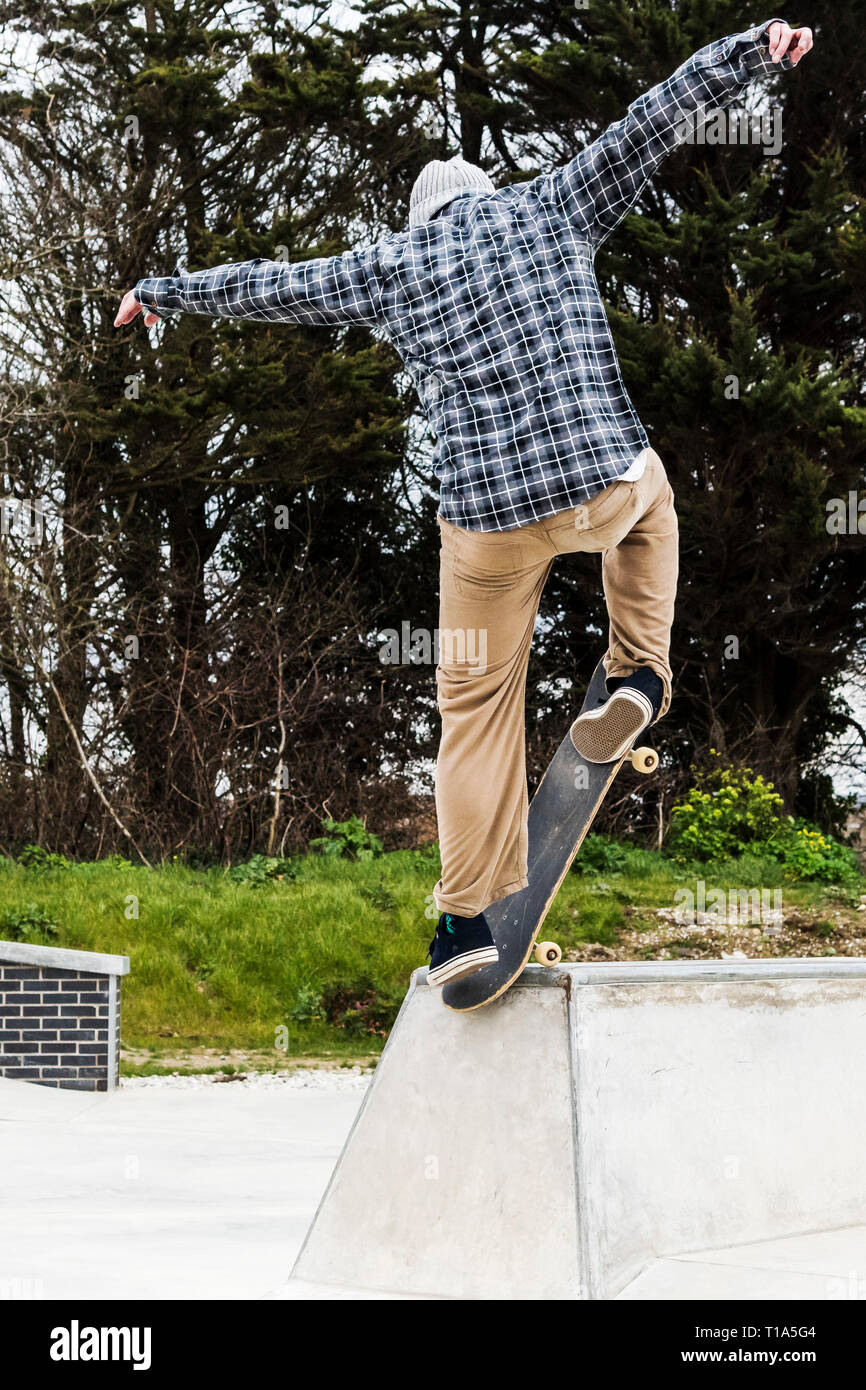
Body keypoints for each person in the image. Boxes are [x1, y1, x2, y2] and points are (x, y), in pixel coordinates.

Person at [116, 18, 814, 987]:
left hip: (486, 526)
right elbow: (653, 118)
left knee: (473, 705)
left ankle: (460, 923)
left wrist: (163, 293)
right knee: (650, 504)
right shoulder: (551, 207)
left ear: (420, 226)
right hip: (595, 479)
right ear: (485, 198)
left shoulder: (395, 268)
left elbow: (278, 287)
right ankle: (633, 677)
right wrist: (752, 51)